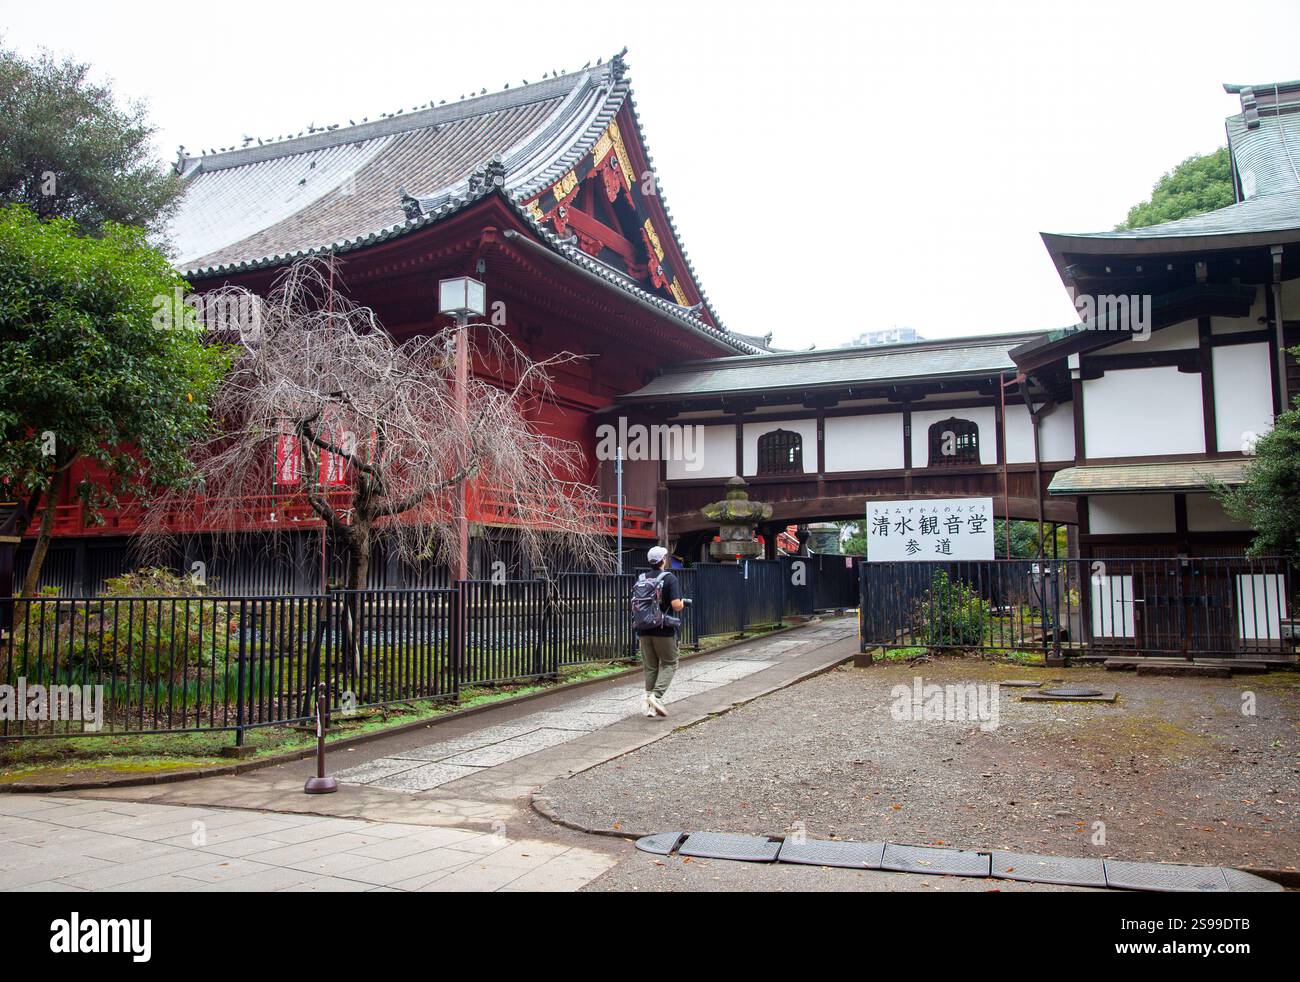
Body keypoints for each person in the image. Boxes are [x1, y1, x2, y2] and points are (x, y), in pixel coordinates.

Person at [637, 545, 684, 718]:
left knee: (650, 667)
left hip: (644, 628)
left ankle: (650, 706)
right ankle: (656, 696)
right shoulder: (669, 578)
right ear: (663, 560)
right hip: (663, 629)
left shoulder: (642, 578)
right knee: (670, 663)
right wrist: (684, 603)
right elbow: (676, 606)